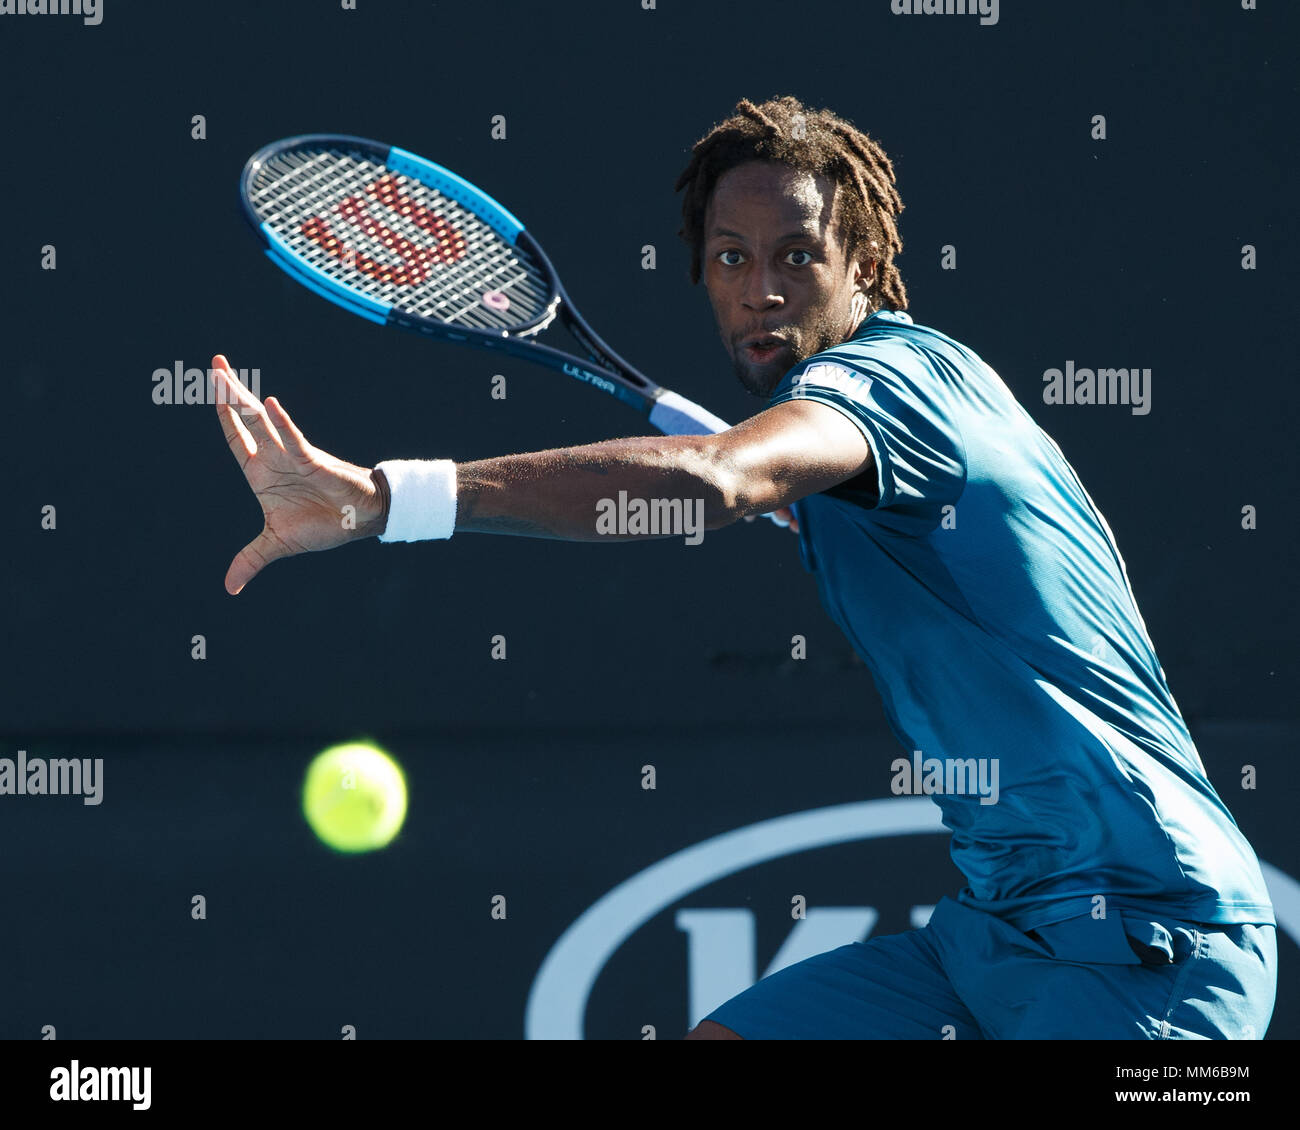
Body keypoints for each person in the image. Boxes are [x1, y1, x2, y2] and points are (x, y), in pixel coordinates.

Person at [211, 96, 1276, 1040]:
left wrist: (388, 498)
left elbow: (719, 480)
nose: (760, 288)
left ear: (862, 263)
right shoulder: (903, 411)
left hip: (1148, 932)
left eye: (796, 255)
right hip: (996, 931)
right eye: (731, 257)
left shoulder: (893, 386)